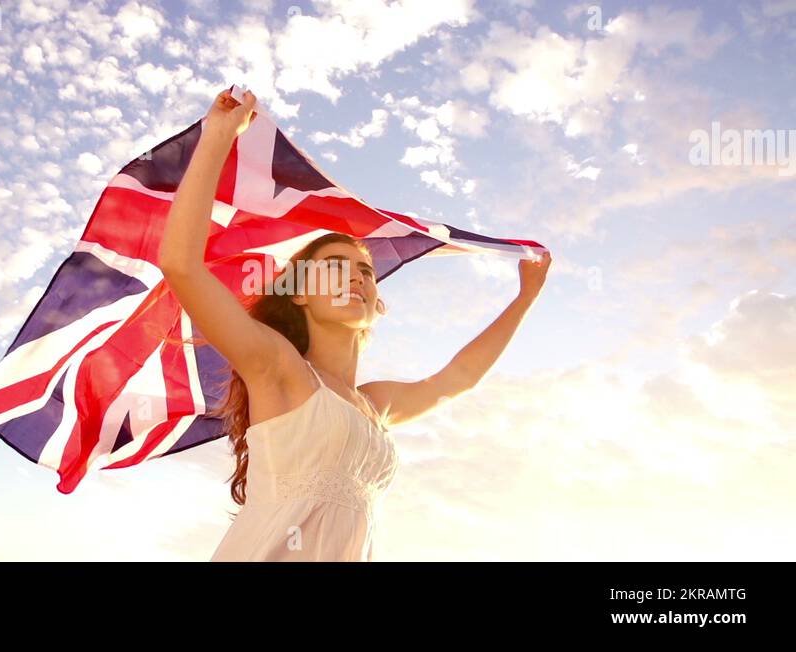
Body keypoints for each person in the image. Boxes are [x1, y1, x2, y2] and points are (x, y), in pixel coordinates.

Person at [158, 88, 552, 561]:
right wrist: (219, 136)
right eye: (335, 267)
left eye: (364, 271)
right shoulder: (278, 367)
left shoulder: (375, 404)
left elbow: (458, 378)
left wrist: (525, 296)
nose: (356, 277)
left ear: (377, 301)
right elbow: (181, 264)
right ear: (299, 291)